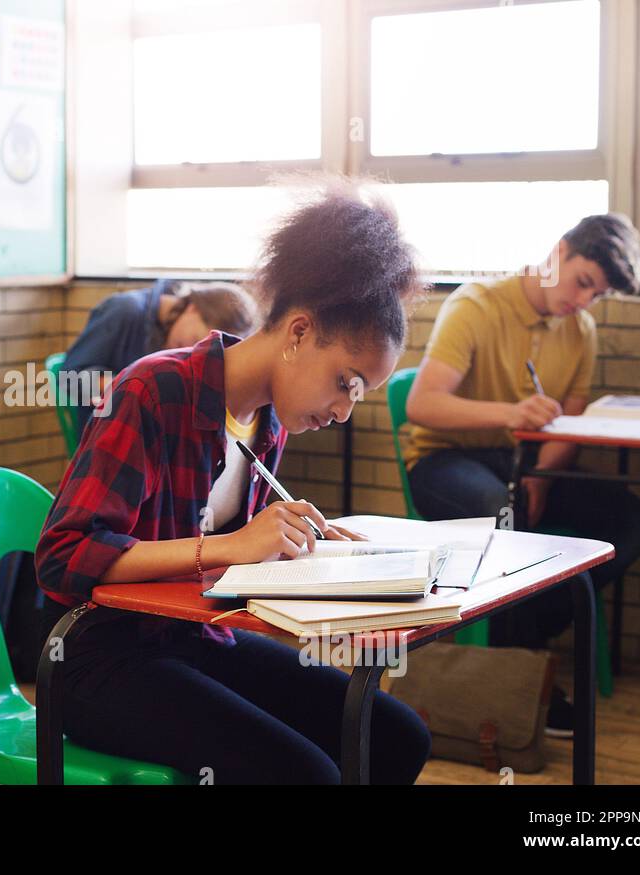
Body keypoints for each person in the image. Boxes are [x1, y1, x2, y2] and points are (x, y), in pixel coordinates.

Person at [34, 186, 432, 784]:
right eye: (346, 383)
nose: (345, 410)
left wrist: (304, 549)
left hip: (195, 638)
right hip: (98, 658)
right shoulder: (152, 390)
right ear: (298, 333)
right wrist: (233, 546)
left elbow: (225, 574)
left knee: (397, 737)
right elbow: (63, 557)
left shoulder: (267, 420)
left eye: (361, 394)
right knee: (306, 774)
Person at [404, 213, 640, 738]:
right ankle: (524, 679)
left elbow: (571, 418)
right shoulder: (476, 305)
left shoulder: (580, 329)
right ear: (559, 252)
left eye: (598, 294)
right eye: (584, 282)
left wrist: (542, 475)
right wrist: (508, 414)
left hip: (528, 466)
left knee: (629, 521)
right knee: (508, 520)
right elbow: (424, 406)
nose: (583, 302)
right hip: (447, 459)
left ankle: (523, 651)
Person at [64, 280, 258, 436]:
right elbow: (68, 378)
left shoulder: (176, 331)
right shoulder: (124, 310)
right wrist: (127, 388)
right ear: (193, 308)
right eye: (194, 341)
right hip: (108, 437)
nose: (191, 354)